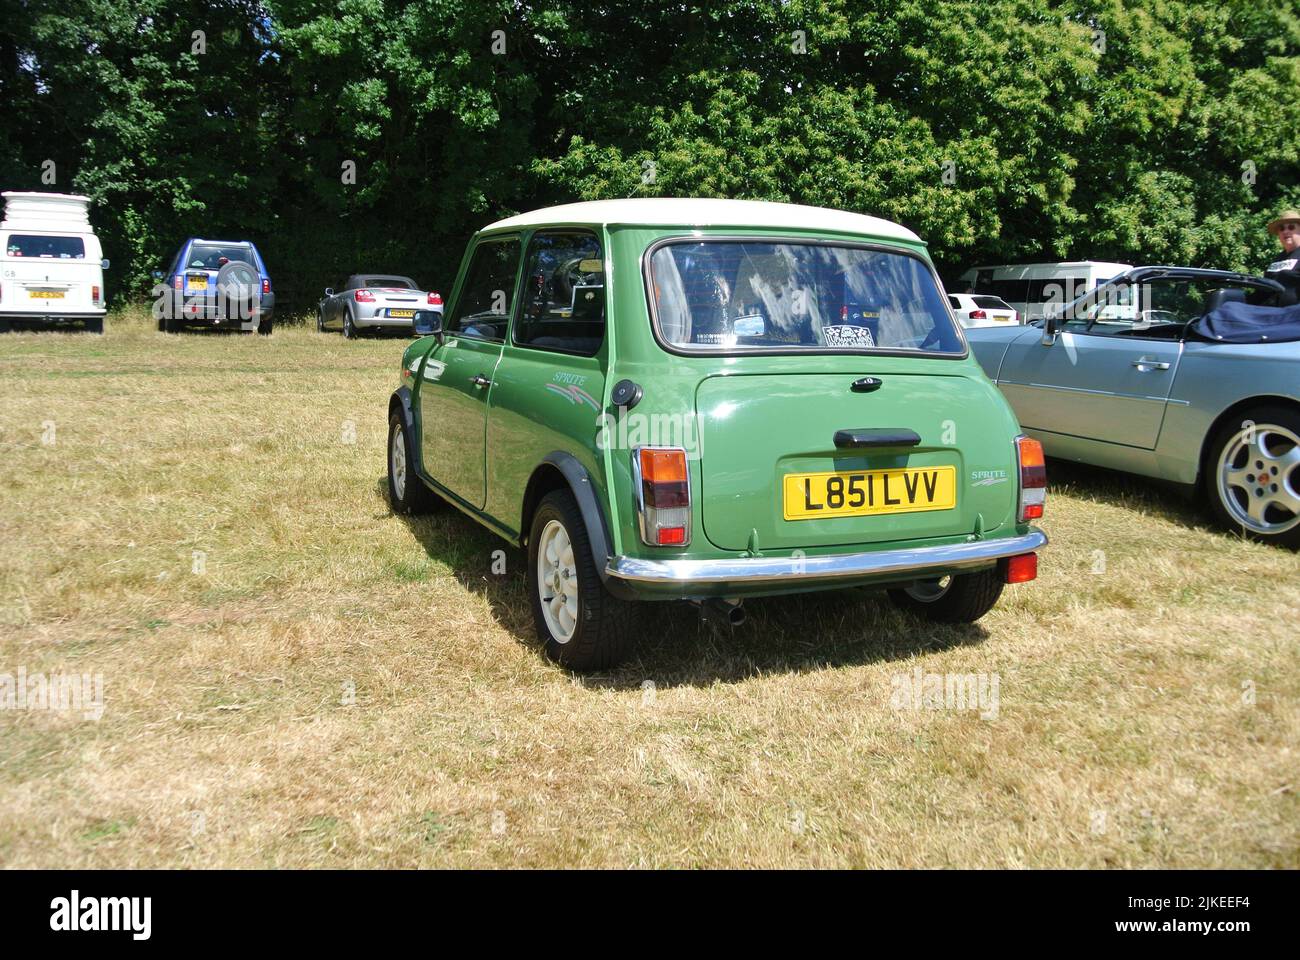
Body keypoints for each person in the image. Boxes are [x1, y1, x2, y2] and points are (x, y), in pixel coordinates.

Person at [1264, 208, 1300, 306]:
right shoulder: (1277, 259)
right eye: (1282, 228)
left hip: (1292, 316)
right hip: (1267, 313)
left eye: (1291, 227)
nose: (1285, 231)